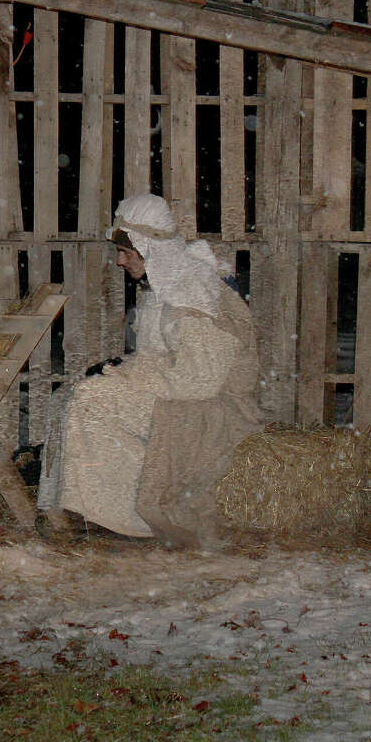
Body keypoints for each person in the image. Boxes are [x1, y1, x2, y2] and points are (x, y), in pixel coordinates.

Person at [36, 193, 262, 548]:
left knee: (91, 402)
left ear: (149, 250)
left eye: (126, 253)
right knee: (72, 394)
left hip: (211, 408)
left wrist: (130, 379)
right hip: (180, 391)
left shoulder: (193, 295)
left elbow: (200, 380)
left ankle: (130, 517)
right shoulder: (163, 288)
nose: (119, 262)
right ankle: (84, 508)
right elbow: (161, 357)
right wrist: (122, 368)